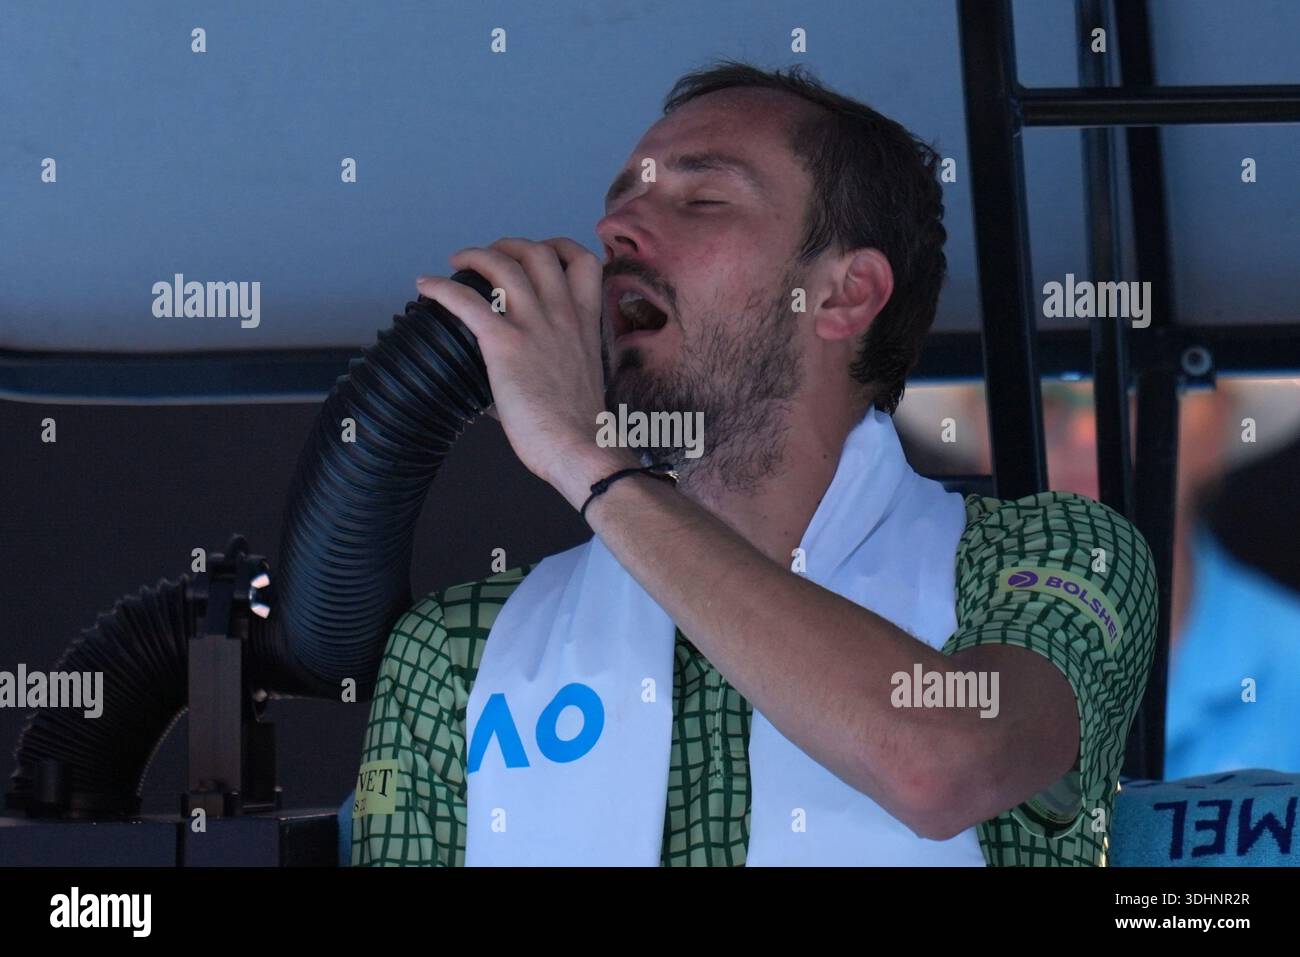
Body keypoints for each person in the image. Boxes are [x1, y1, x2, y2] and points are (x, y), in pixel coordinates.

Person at [351, 60, 1158, 866]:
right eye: (622, 199)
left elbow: (943, 765)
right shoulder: (459, 645)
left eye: (702, 199)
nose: (617, 229)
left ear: (844, 295)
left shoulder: (1047, 553)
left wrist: (589, 461)